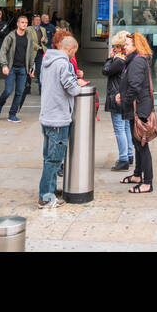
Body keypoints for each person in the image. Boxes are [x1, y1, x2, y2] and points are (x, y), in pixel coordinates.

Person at [38, 35, 88, 208]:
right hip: (58, 119)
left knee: (48, 158)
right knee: (54, 160)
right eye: (74, 52)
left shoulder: (47, 61)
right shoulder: (63, 63)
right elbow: (71, 88)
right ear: (70, 49)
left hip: (46, 115)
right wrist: (79, 84)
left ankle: (49, 190)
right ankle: (46, 197)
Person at [121, 32, 156, 194]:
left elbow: (134, 87)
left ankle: (147, 182)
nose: (124, 47)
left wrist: (124, 100)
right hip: (141, 106)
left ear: (136, 46)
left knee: (142, 145)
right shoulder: (138, 60)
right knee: (137, 143)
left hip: (139, 108)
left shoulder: (136, 62)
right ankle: (137, 175)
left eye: (127, 44)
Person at [0, 15, 37, 123]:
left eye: (26, 23)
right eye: (22, 22)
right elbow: (2, 52)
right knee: (8, 91)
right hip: (11, 68)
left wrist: (31, 67)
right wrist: (4, 65)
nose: (24, 24)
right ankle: (0, 103)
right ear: (17, 24)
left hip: (23, 69)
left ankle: (12, 114)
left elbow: (31, 54)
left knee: (20, 92)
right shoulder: (11, 36)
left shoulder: (29, 37)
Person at [103, 30, 134, 171]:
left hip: (116, 96)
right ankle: (129, 154)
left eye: (115, 46)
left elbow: (106, 71)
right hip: (124, 95)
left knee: (120, 128)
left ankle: (123, 159)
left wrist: (109, 59)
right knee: (126, 126)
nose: (113, 48)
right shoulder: (127, 58)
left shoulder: (119, 60)